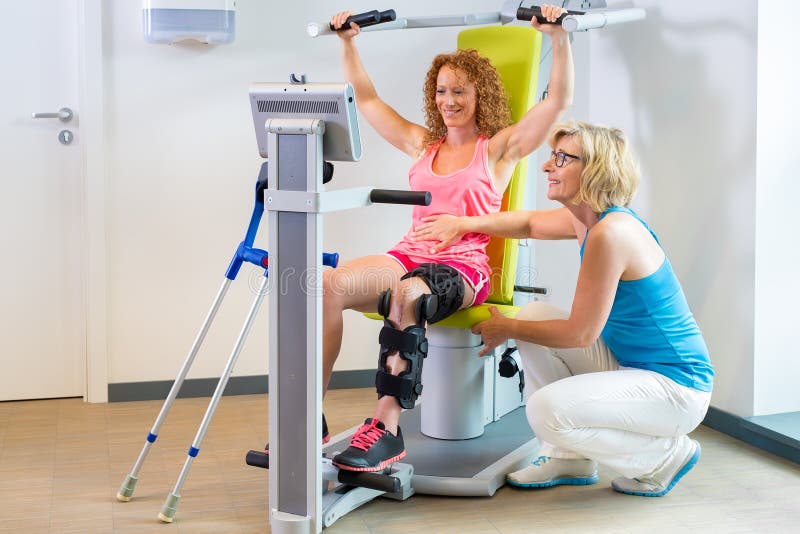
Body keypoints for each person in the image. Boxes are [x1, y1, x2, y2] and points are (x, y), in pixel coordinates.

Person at [323, 5, 574, 472]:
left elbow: (556, 102)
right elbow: (368, 100)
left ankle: (387, 428)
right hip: (407, 254)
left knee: (407, 294)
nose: (449, 100)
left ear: (482, 96)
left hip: (464, 268)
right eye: (441, 90)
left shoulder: (497, 151)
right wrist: (348, 43)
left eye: (460, 90)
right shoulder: (424, 144)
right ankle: (307, 420)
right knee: (330, 285)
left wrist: (558, 36)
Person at [413, 120, 713, 496]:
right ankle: (567, 457)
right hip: (632, 366)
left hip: (677, 388)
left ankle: (662, 455)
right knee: (535, 315)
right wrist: (462, 223)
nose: (546, 166)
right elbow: (529, 222)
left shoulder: (612, 233)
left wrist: (506, 328)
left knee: (544, 410)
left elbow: (580, 334)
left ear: (594, 168)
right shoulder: (590, 220)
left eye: (561, 158)